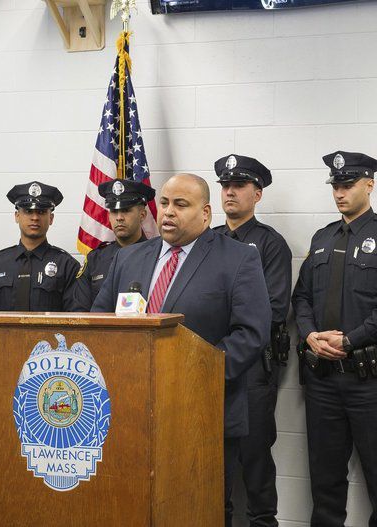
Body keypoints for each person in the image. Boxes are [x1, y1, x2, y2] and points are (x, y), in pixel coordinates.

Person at [92, 173, 271, 526]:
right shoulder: (129, 258)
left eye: (180, 205)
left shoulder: (237, 259)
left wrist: (193, 375)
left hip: (203, 409)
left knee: (202, 508)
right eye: (164, 203)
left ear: (205, 213)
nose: (168, 212)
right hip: (133, 410)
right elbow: (100, 319)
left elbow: (251, 332)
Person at [291, 151, 377, 527]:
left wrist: (349, 341)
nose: (340, 193)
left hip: (372, 380)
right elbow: (301, 297)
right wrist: (311, 335)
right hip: (323, 380)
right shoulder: (322, 238)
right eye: (336, 186)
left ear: (369, 185)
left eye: (348, 185)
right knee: (325, 480)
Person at [212, 154, 292, 527]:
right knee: (213, 464)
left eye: (239, 186)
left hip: (254, 370)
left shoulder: (270, 245)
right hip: (209, 365)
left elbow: (273, 309)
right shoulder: (207, 241)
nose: (230, 192)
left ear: (257, 194)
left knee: (255, 458)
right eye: (225, 185)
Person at [0, 181, 79, 312]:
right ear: (17, 216)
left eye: (42, 212)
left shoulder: (67, 266)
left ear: (51, 218)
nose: (35, 217)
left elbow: (75, 319)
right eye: (28, 211)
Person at [70, 179, 155, 311]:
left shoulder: (156, 256)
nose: (119, 217)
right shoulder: (95, 259)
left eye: (126, 210)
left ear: (142, 215)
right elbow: (80, 310)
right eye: (114, 211)